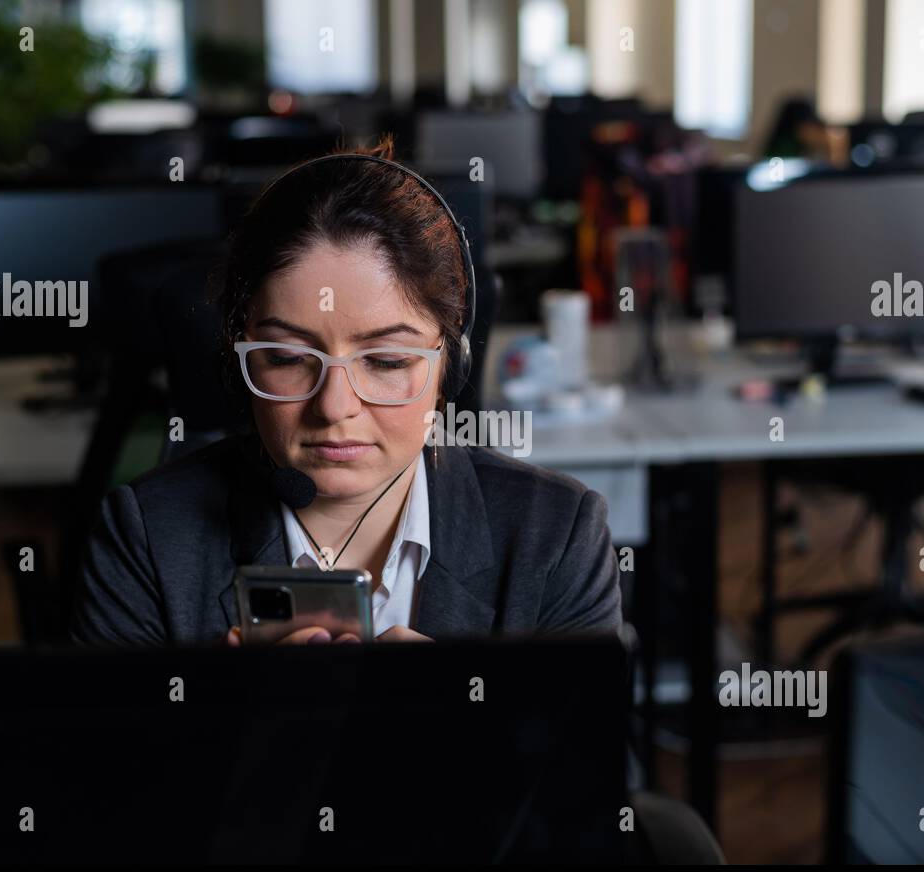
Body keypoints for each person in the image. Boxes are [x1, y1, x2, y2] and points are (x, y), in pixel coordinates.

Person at [70, 138, 622, 647]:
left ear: (450, 368)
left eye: (384, 361)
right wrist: (234, 730)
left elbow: (590, 757)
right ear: (236, 363)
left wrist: (465, 736)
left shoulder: (556, 537)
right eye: (287, 358)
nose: (334, 407)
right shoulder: (147, 537)